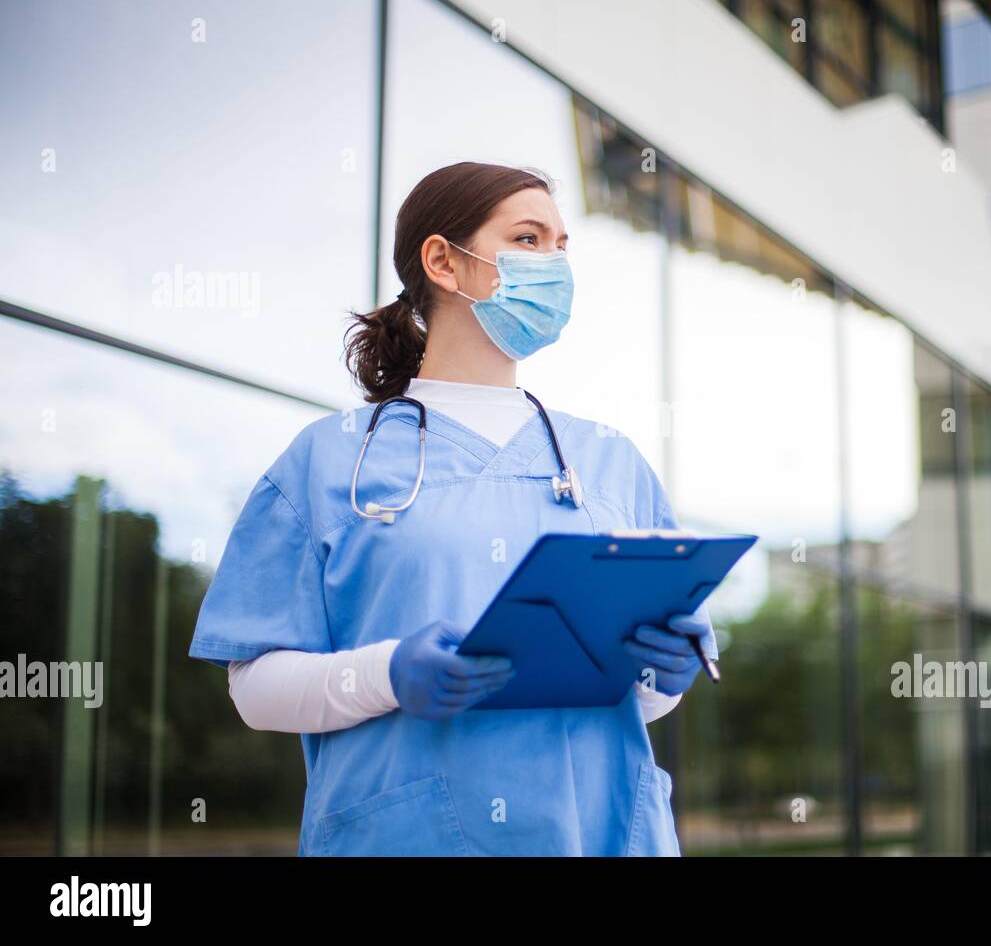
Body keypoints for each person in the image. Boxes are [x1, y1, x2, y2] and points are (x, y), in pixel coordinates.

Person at [188, 161, 718, 856]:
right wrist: (386, 674)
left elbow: (641, 702)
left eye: (562, 246)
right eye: (529, 239)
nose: (555, 263)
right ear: (443, 261)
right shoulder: (329, 460)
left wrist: (661, 676)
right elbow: (255, 691)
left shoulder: (611, 462)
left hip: (603, 832)